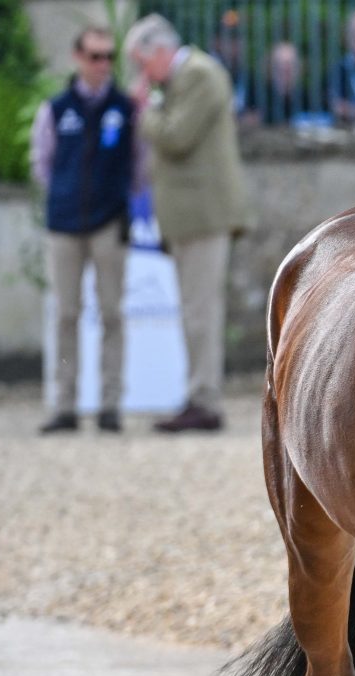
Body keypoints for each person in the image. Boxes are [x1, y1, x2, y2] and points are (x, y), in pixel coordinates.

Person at [127, 14, 252, 433]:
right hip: (191, 216)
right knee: (195, 311)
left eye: (142, 63)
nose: (142, 75)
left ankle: (205, 401)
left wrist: (144, 109)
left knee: (200, 312)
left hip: (204, 214)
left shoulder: (199, 74)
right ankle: (200, 395)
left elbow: (178, 137)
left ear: (159, 51)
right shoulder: (187, 78)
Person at [32, 26, 140, 435]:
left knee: (112, 314)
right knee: (66, 315)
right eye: (95, 56)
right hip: (64, 224)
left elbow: (139, 166)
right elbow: (43, 163)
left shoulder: (126, 108)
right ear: (78, 57)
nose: (103, 65)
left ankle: (110, 405)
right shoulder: (57, 109)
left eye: (109, 57)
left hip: (108, 224)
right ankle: (65, 406)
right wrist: (64, 195)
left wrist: (116, 200)